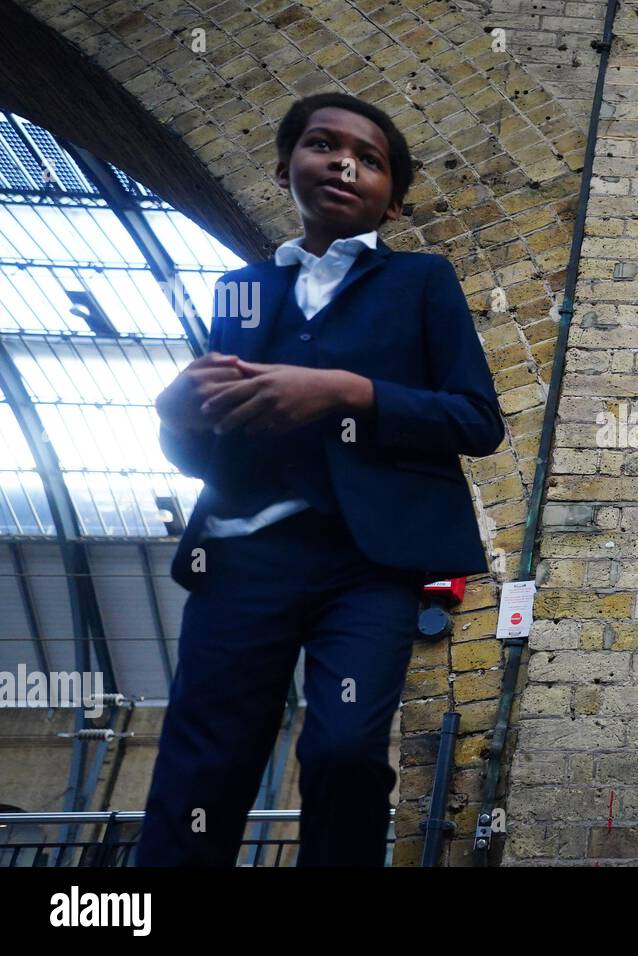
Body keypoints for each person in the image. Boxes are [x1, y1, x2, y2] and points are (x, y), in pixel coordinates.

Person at [136, 92, 505, 866]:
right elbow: (214, 451)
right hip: (240, 556)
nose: (344, 163)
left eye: (370, 159)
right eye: (323, 145)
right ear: (284, 168)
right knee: (203, 764)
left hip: (367, 565)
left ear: (393, 199)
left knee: (343, 749)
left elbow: (477, 420)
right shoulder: (240, 288)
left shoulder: (422, 283)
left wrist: (348, 392)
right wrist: (174, 417)